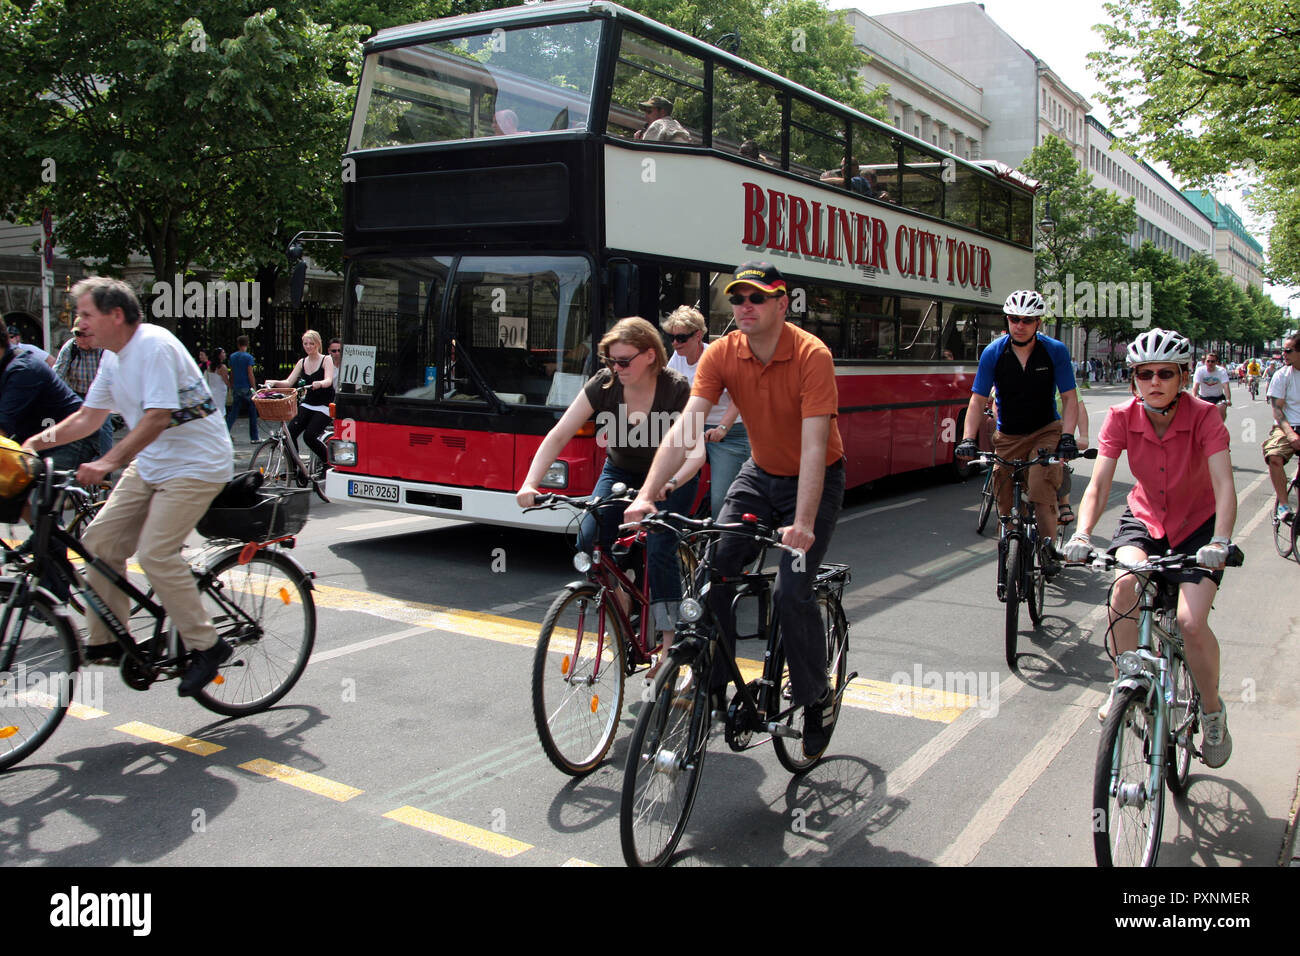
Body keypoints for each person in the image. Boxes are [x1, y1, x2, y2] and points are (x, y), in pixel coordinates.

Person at [624, 261, 846, 759]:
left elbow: (814, 449)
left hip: (814, 479)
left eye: (757, 298)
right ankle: (716, 682)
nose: (745, 307)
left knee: (793, 589)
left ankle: (815, 697)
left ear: (782, 304)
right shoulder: (723, 353)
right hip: (760, 472)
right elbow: (686, 428)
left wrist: (804, 523)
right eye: (738, 298)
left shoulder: (812, 355)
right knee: (714, 575)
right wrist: (647, 494)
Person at [21, 277, 235, 696]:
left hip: (197, 465)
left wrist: (107, 461)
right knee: (99, 542)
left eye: (86, 314)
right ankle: (108, 641)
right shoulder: (113, 358)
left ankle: (208, 645)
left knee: (155, 554)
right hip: (154, 464)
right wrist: (34, 444)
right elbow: (88, 417)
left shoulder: (153, 345)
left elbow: (157, 416)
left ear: (115, 315)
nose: (78, 324)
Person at [1062, 328, 1236, 768]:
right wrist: (1082, 532)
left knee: (1190, 623)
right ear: (1134, 377)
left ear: (1182, 377)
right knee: (1125, 587)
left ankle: (1213, 711)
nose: (1153, 381)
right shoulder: (1120, 416)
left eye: (1164, 373)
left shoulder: (1205, 417)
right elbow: (1099, 484)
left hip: (1199, 526)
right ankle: (1125, 683)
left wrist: (1220, 540)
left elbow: (1224, 485)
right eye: (1143, 373)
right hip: (1145, 520)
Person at [516, 317, 698, 668]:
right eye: (611, 360)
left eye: (624, 361)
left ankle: (669, 645)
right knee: (589, 539)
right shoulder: (606, 384)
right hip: (621, 470)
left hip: (671, 477)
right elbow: (559, 433)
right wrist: (529, 482)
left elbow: (696, 452)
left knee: (660, 549)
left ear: (649, 355)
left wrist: (669, 484)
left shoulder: (675, 388)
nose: (617, 368)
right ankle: (622, 600)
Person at [955, 289, 1078, 558]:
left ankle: (1048, 550)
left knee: (1039, 490)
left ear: (1038, 323)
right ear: (1007, 320)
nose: (1019, 325)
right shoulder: (993, 352)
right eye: (1013, 319)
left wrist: (1067, 436)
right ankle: (1013, 546)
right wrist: (967, 438)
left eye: (1027, 320)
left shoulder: (1054, 351)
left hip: (1044, 430)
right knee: (1004, 495)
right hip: (1008, 434)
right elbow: (977, 400)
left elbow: (1070, 398)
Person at [661, 306, 750, 518]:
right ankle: (676, 538)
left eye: (681, 338)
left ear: (698, 335)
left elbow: (740, 398)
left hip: (729, 434)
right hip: (695, 430)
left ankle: (726, 545)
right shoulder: (678, 357)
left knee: (722, 502)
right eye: (671, 337)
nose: (675, 343)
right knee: (670, 489)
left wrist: (722, 428)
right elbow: (671, 391)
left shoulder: (716, 356)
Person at [0, 328, 98, 469]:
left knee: (38, 482)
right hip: (34, 435)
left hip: (69, 435)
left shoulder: (22, 369)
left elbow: (2, 429)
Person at [265, 330, 334, 474]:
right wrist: (274, 382)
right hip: (308, 403)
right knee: (289, 434)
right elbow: (289, 382)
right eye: (305, 344)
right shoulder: (302, 362)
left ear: (318, 344)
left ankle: (328, 462)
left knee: (309, 436)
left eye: (311, 344)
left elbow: (329, 380)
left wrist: (320, 383)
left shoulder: (326, 359)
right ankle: (296, 468)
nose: (308, 347)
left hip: (323, 406)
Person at [53, 317, 115, 456]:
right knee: (70, 426)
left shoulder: (103, 349)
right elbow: (58, 375)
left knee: (103, 428)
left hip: (100, 395)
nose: (80, 338)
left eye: (84, 335)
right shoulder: (70, 348)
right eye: (77, 334)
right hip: (76, 393)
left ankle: (105, 467)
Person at [1263, 332, 1300, 522]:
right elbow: (1277, 410)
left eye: (1287, 350)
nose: (1283, 354)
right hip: (1287, 425)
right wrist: (1291, 434)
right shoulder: (1282, 375)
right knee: (1274, 456)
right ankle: (1284, 505)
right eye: (1282, 350)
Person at [226, 335, 259, 441]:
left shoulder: (232, 357)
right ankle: (254, 437)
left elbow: (232, 373)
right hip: (246, 387)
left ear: (238, 344)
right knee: (252, 412)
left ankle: (225, 432)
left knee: (234, 412)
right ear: (247, 344)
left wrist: (231, 384)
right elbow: (250, 374)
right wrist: (254, 387)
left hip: (237, 386)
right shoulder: (248, 357)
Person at [1193, 351, 1231, 422]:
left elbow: (1226, 386)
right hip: (1203, 398)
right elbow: (1195, 385)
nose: (1210, 363)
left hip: (1218, 398)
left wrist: (1228, 399)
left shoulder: (1221, 371)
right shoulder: (1200, 371)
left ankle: (1219, 427)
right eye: (1208, 361)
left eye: (1212, 361)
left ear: (1216, 362)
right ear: (1205, 362)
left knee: (1222, 408)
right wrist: (1195, 397)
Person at [199, 347, 230, 414]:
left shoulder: (210, 367)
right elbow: (227, 382)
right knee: (221, 411)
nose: (225, 354)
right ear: (219, 355)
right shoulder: (222, 367)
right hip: (220, 392)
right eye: (223, 352)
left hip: (212, 391)